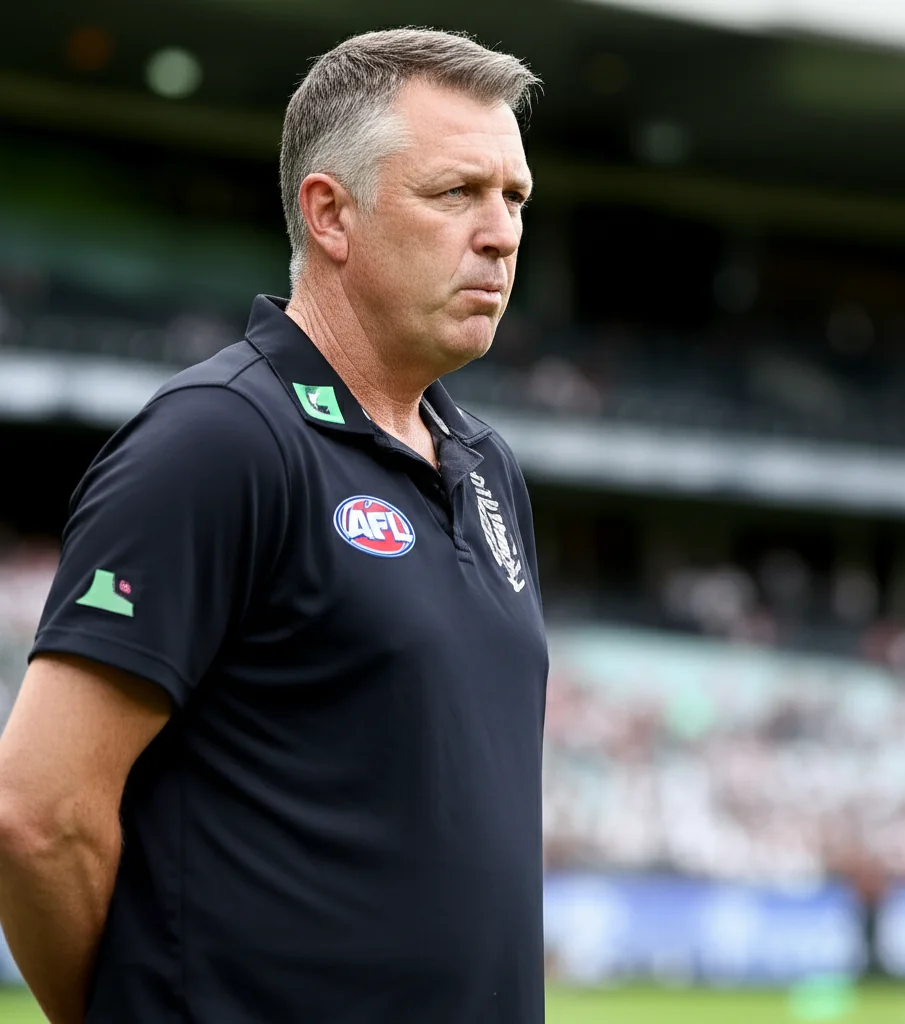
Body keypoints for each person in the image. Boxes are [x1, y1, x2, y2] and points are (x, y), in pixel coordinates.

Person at [0, 28, 547, 1024]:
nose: (501, 232)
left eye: (513, 198)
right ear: (330, 214)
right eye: (456, 193)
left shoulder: (487, 466)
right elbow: (37, 815)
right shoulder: (218, 442)